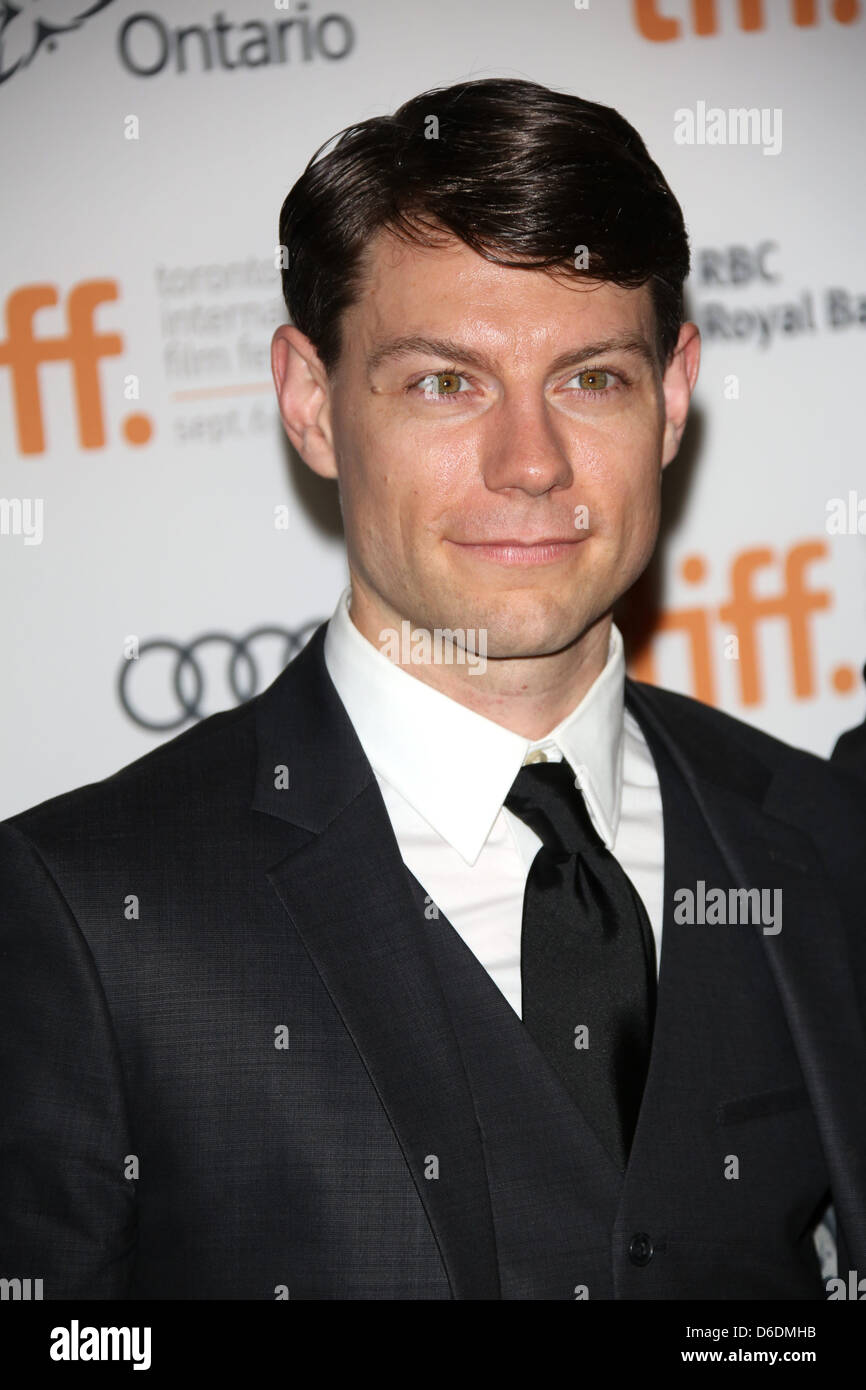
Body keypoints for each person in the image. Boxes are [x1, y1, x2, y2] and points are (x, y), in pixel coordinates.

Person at [2, 77, 865, 1301]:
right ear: (311, 402)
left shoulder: (825, 843)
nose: (530, 464)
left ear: (671, 397)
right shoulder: (88, 912)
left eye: (590, 378)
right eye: (442, 383)